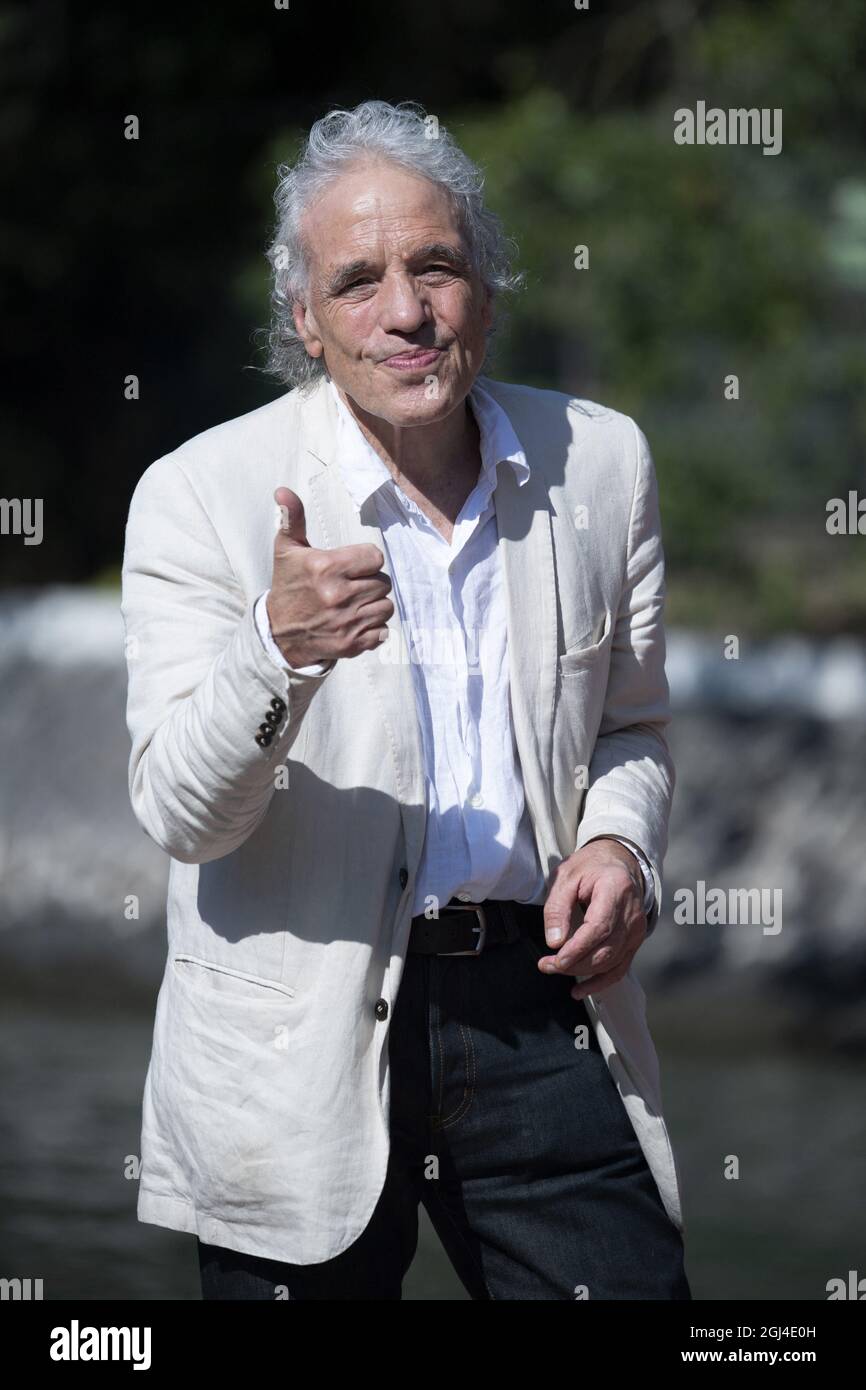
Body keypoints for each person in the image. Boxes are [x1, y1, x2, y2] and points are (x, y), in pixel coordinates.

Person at [121, 98, 690, 1300]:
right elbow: (181, 814)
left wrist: (617, 839)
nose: (405, 312)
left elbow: (631, 723)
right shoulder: (197, 494)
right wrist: (278, 653)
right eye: (358, 281)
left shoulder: (602, 460)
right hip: (295, 1038)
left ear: (482, 282)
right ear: (306, 322)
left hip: (539, 1009)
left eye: (435, 265)